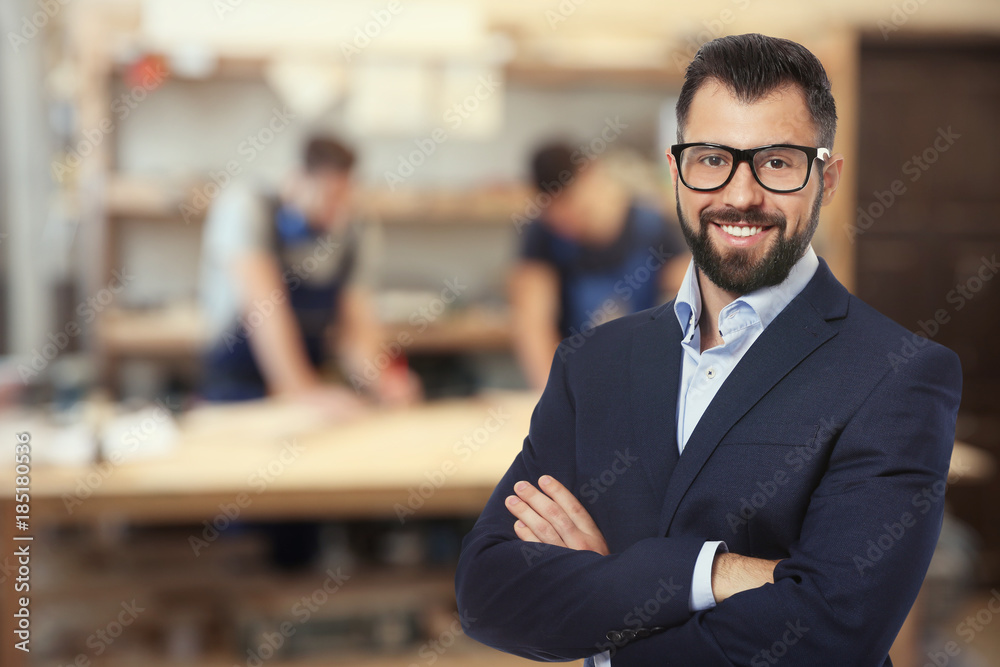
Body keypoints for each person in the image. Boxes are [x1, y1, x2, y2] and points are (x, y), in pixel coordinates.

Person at [456, 34, 962, 666]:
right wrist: (715, 573)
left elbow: (833, 631)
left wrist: (607, 616)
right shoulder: (592, 365)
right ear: (677, 171)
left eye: (777, 162)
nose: (741, 194)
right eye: (712, 158)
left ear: (826, 179)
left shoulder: (901, 377)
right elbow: (488, 589)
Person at [198, 135, 420, 410]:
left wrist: (383, 381)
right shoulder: (248, 207)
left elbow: (357, 326)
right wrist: (303, 391)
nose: (333, 213)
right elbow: (265, 311)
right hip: (237, 386)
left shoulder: (355, 227)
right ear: (296, 179)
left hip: (306, 379)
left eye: (342, 199)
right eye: (326, 198)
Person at [511, 144, 688, 391]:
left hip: (646, 381)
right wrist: (552, 396)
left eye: (569, 201)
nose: (563, 218)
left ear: (591, 174)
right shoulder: (543, 236)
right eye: (552, 210)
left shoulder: (655, 227)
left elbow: (691, 313)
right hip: (577, 383)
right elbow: (533, 325)